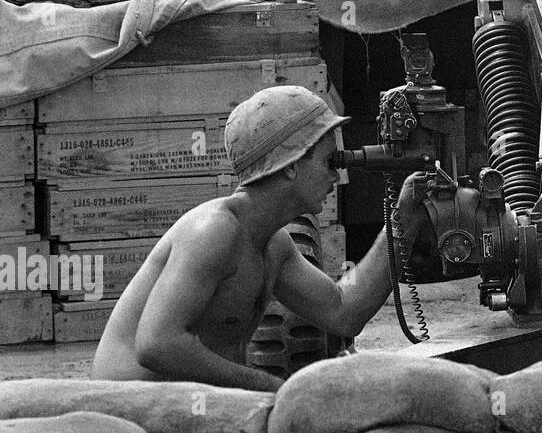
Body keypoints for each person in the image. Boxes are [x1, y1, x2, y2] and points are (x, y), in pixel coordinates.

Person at [92, 85, 428, 389]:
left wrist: (405, 215)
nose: (337, 176)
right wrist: (268, 388)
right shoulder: (213, 231)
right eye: (329, 162)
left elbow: (342, 312)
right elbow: (157, 345)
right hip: (130, 417)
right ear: (292, 165)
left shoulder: (273, 244)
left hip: (191, 408)